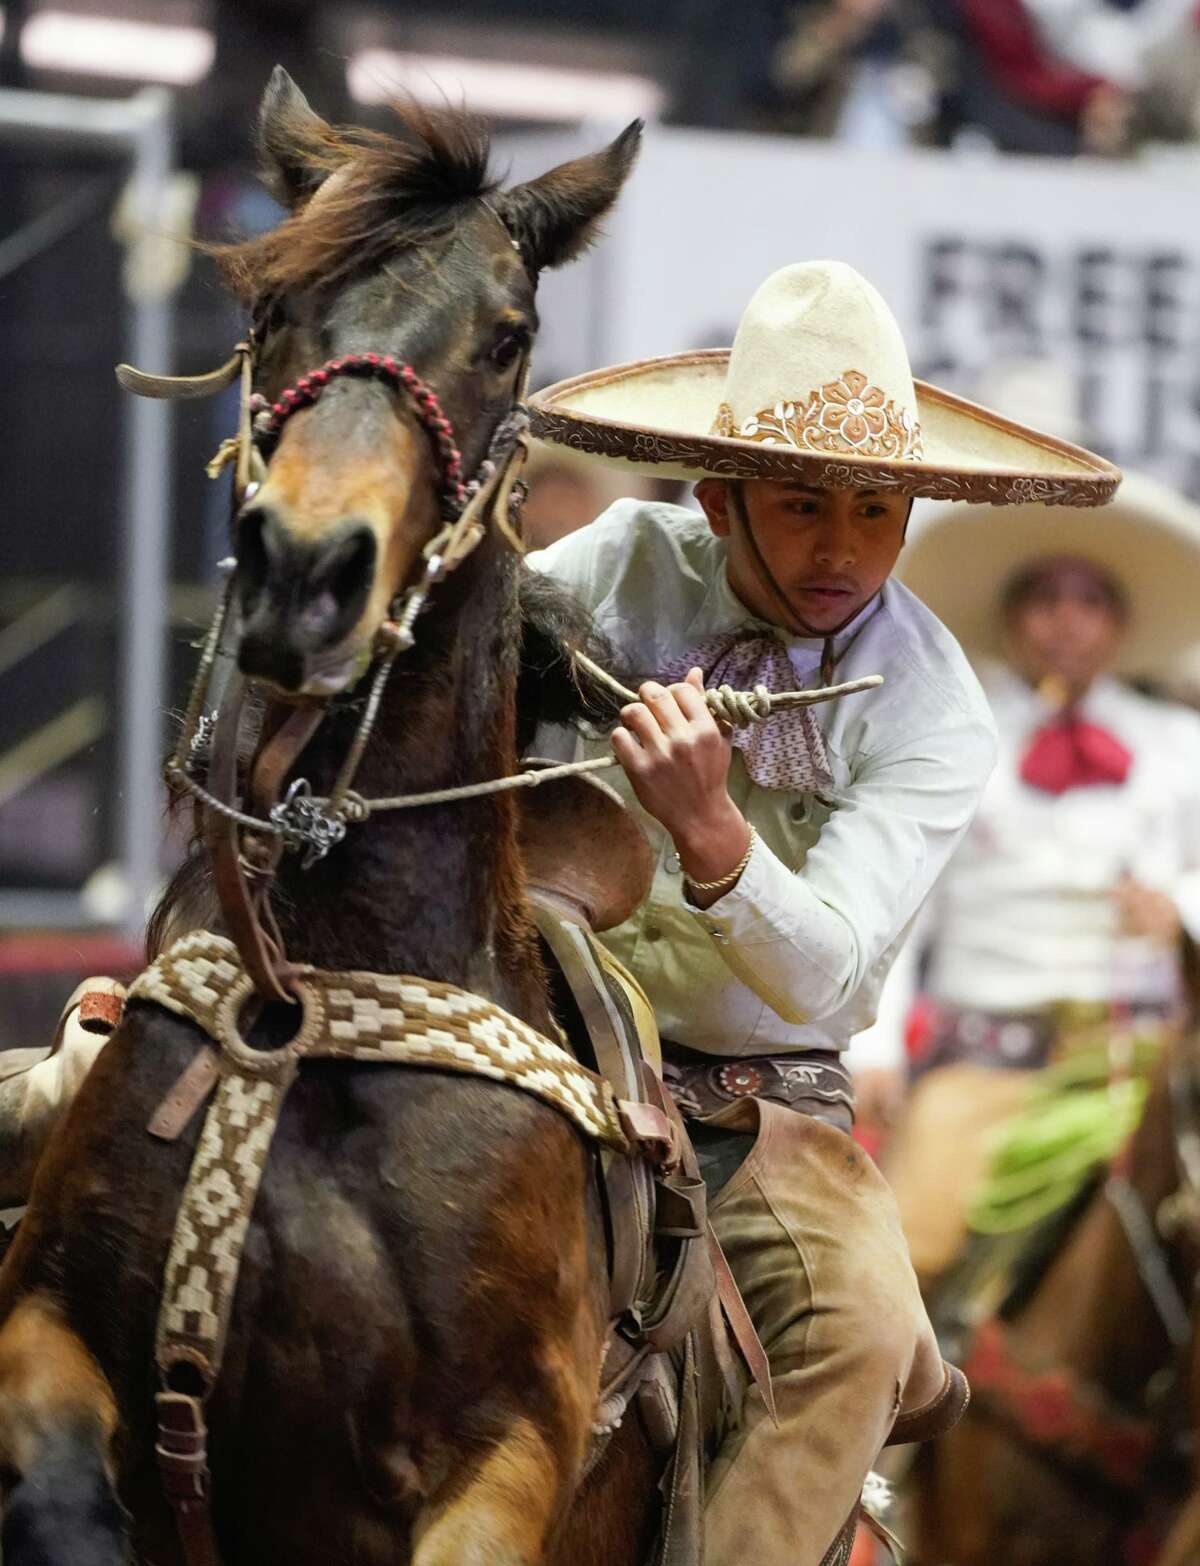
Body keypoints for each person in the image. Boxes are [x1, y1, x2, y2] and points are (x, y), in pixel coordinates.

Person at [524, 257, 1118, 1564]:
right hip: (529, 1021)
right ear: (717, 498)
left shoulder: (936, 705)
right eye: (801, 504)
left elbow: (834, 972)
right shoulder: (615, 565)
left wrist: (715, 839)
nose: (842, 546)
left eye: (875, 506)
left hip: (763, 1098)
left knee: (858, 1327)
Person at [853, 470, 1200, 1288]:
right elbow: (903, 907)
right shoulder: (949, 735)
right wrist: (873, 1048)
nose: (1066, 625)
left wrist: (1179, 912)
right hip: (985, 1061)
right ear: (1009, 619)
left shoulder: (1182, 744)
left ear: (1120, 623)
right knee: (902, 1260)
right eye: (1045, 601)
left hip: (1139, 1067)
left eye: (1090, 603)